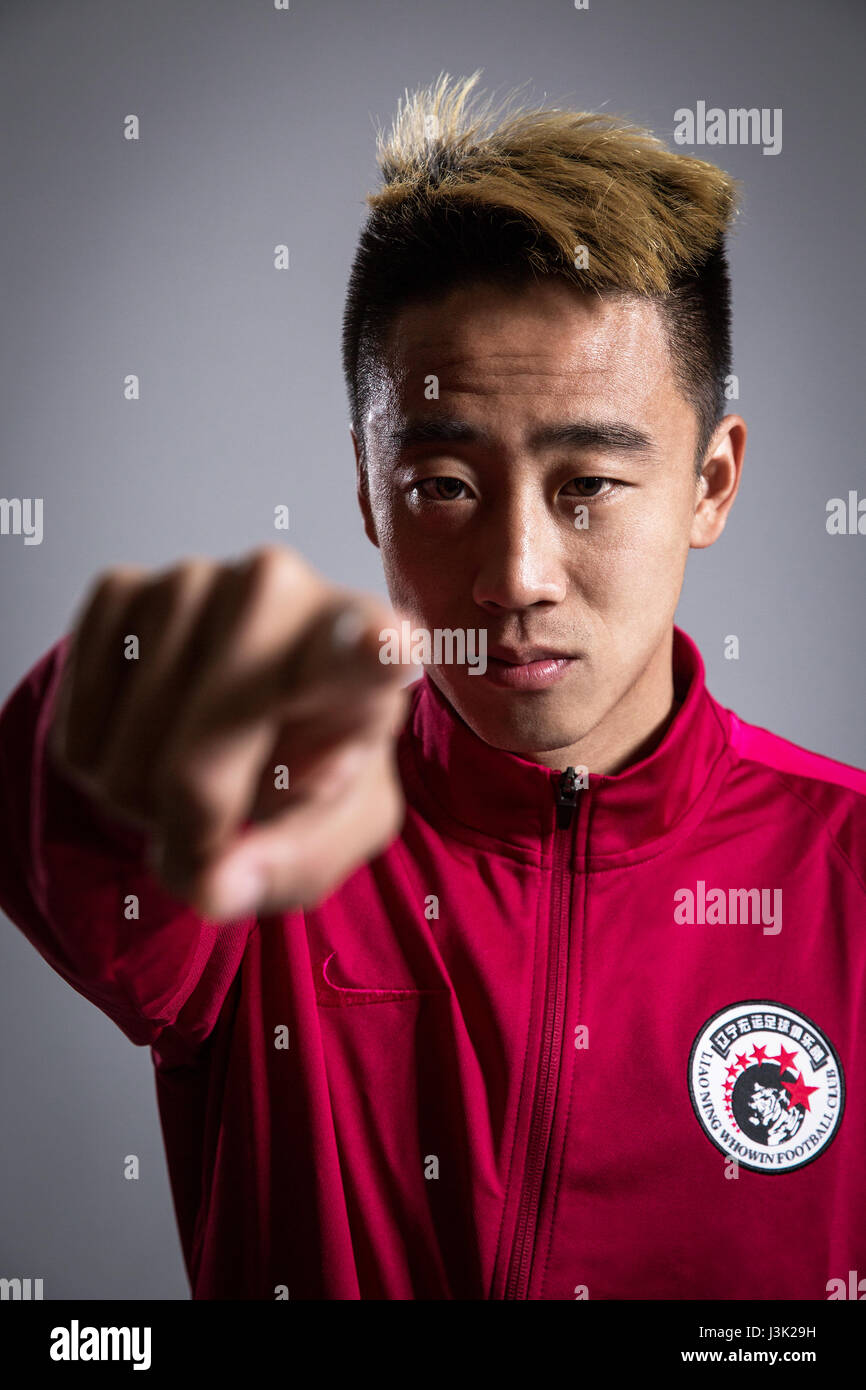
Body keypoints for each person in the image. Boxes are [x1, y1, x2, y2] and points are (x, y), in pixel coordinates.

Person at [1, 72, 863, 1300]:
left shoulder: (849, 869)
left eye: (588, 487)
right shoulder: (271, 831)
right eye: (443, 487)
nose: (513, 575)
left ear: (710, 483)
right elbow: (67, 811)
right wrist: (144, 666)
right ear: (364, 487)